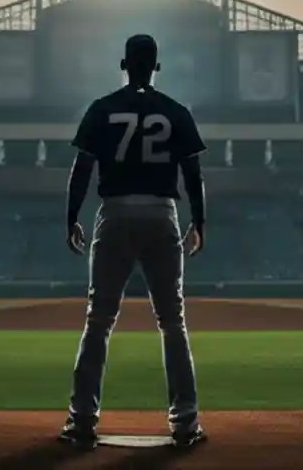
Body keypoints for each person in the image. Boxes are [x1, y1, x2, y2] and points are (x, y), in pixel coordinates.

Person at [58, 34, 208, 450]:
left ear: (124, 64)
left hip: (116, 211)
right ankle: (185, 422)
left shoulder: (102, 108)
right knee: (172, 321)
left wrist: (72, 216)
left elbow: (82, 169)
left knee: (98, 321)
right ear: (156, 67)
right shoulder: (175, 111)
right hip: (162, 212)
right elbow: (193, 173)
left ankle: (82, 421)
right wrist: (200, 220)